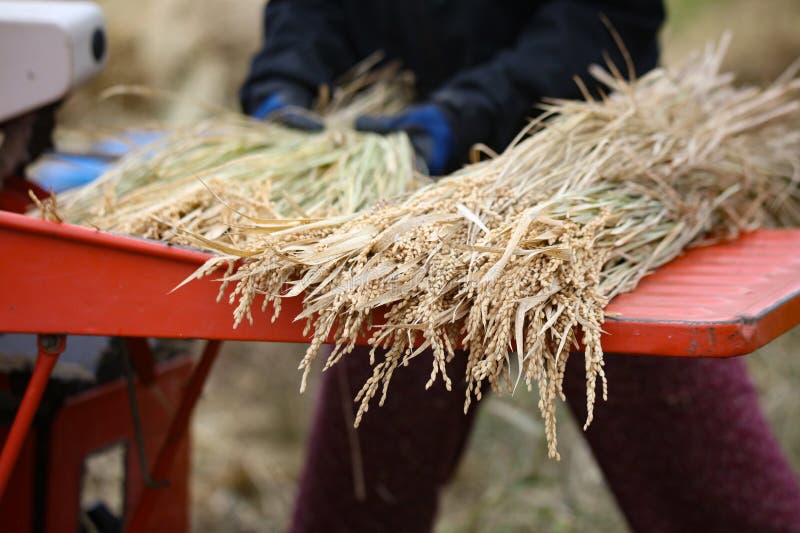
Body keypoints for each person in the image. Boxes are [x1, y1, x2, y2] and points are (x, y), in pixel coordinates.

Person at [241, 2, 800, 531]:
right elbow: (312, 10)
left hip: (591, 208)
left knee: (722, 507)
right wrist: (287, 80)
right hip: (412, 222)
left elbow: (604, 21)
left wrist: (466, 116)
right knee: (358, 509)